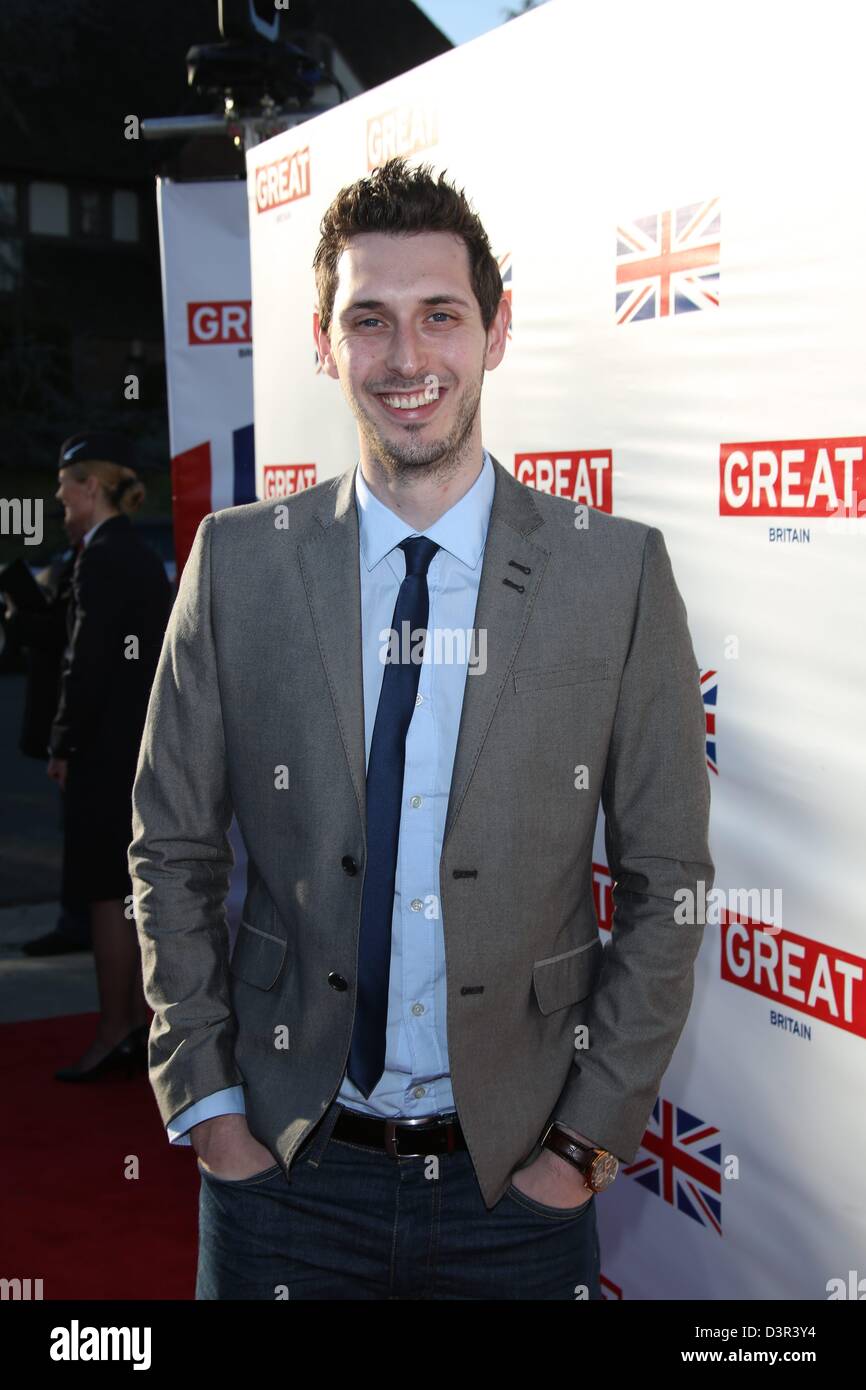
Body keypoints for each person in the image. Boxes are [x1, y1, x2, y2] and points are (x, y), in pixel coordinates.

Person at [129, 158, 714, 1300]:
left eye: (439, 315)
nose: (406, 360)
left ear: (494, 331)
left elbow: (668, 881)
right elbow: (172, 848)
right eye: (369, 321)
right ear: (322, 339)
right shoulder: (238, 564)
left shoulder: (612, 573)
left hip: (517, 1188)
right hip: (283, 1176)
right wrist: (210, 1110)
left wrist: (582, 1149)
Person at [49, 432, 173, 1080]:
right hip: (135, 746)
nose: (59, 502)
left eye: (65, 489)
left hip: (106, 751)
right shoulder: (134, 554)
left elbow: (86, 662)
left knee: (107, 893)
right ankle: (129, 1029)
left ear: (89, 487)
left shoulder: (102, 558)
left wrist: (64, 741)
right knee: (125, 892)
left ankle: (116, 1029)